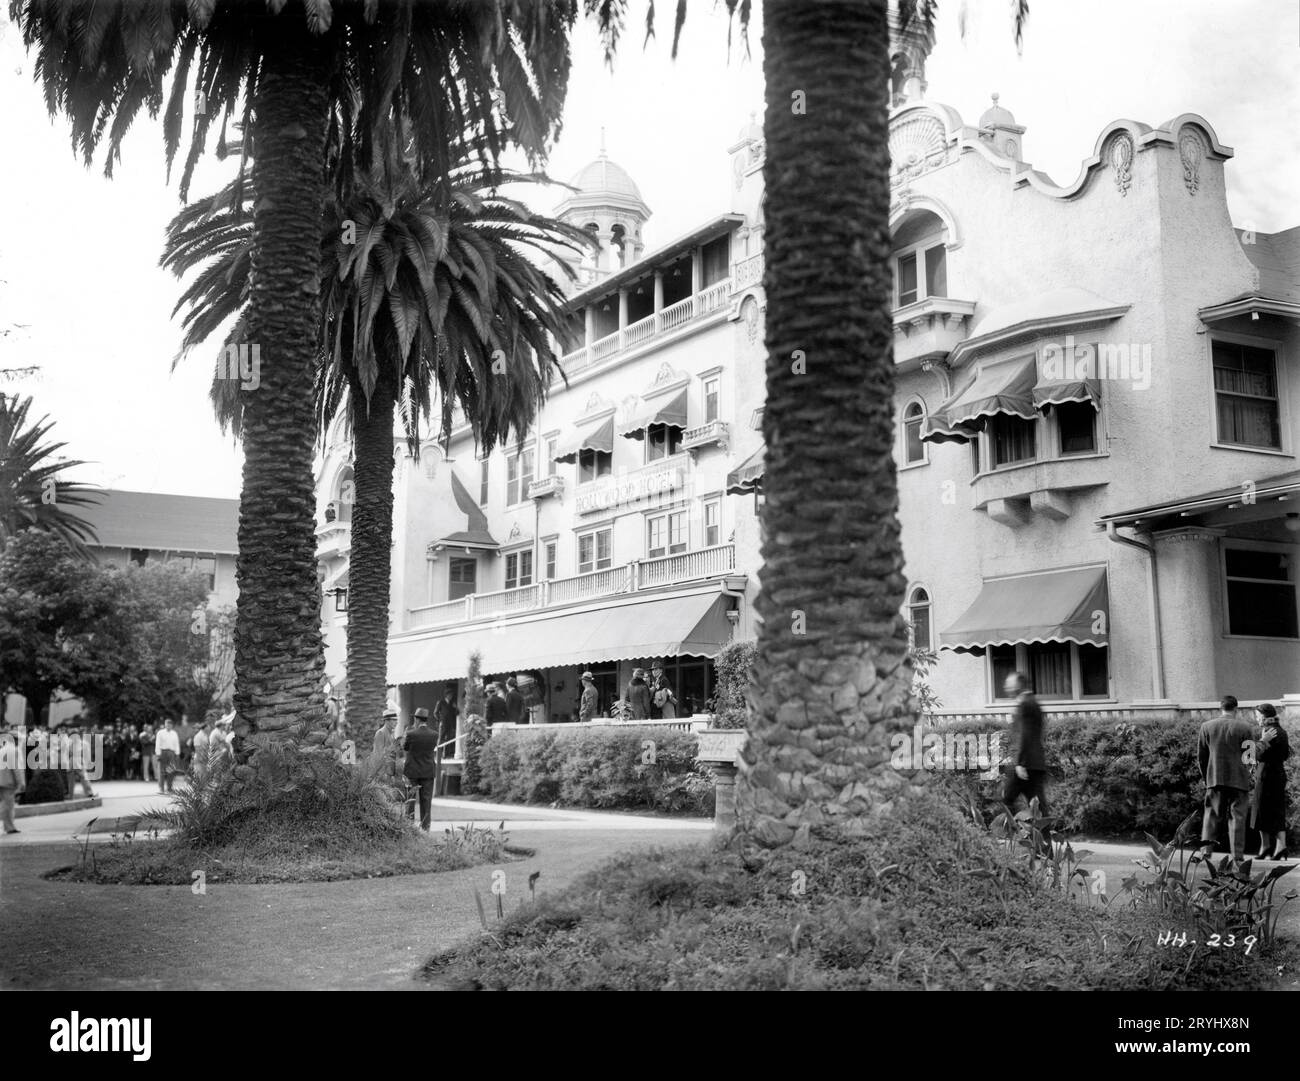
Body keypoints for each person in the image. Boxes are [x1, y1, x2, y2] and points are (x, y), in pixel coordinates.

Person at [1197, 694, 1255, 863]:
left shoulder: (1206, 727)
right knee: (1237, 817)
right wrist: (1249, 776)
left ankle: (1206, 852)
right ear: (1236, 709)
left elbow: (1202, 757)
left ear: (1220, 708)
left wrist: (1205, 777)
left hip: (1215, 777)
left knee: (1211, 816)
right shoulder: (1245, 728)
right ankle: (1237, 856)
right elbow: (1249, 757)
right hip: (1239, 780)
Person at [1001, 673, 1049, 841]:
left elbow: (1024, 734)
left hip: (1025, 765)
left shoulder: (1025, 704)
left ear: (1018, 686)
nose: (1006, 688)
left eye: (1009, 685)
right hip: (1035, 763)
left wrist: (1020, 762)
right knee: (1038, 808)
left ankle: (1013, 838)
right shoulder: (1033, 702)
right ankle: (1043, 846)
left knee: (1005, 800)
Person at [1250, 703, 1290, 861]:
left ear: (1265, 716)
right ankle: (1279, 847)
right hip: (1278, 774)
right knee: (1276, 810)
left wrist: (1262, 740)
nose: (1257, 719)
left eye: (1258, 716)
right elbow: (1285, 755)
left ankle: (1267, 847)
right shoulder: (1282, 732)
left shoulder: (1268, 732)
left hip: (1266, 775)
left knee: (1261, 810)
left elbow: (1252, 756)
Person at [403, 708, 440, 830]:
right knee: (426, 801)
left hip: (412, 771)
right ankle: (425, 829)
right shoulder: (435, 734)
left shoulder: (411, 733)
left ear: (416, 719)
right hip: (428, 771)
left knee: (411, 800)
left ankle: (409, 828)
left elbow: (406, 748)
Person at [0, 723, 26, 835]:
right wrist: (21, 783)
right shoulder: (14, 751)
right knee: (8, 806)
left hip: (2, 781)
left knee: (6, 804)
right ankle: (9, 827)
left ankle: (8, 826)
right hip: (9, 782)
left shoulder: (2, 749)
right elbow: (16, 769)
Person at [370, 705, 401, 783]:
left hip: (389, 772)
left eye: (396, 720)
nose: (396, 722)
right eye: (394, 720)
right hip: (383, 773)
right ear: (387, 721)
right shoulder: (381, 733)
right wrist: (383, 774)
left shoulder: (391, 733)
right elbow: (378, 754)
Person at [155, 718, 181, 794]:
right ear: (165, 724)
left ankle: (169, 788)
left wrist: (177, 754)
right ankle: (161, 789)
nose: (168, 725)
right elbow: (157, 744)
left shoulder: (174, 733)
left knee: (171, 771)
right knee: (161, 771)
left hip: (172, 753)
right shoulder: (160, 732)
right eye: (167, 724)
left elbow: (177, 744)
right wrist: (158, 754)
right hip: (163, 752)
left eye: (170, 724)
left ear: (172, 725)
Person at [433, 685, 459, 752]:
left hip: (450, 724)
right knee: (441, 737)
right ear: (447, 695)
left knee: (448, 738)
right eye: (450, 695)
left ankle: (445, 753)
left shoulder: (452, 703)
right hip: (443, 723)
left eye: (452, 695)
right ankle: (439, 753)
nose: (451, 696)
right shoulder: (441, 702)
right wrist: (440, 721)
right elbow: (435, 713)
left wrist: (455, 707)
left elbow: (457, 713)